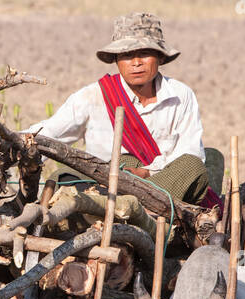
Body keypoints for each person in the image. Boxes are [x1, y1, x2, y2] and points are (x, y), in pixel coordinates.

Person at [22, 12, 217, 208]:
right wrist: (6, 146)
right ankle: (125, 206)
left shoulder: (181, 95)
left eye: (144, 54)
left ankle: (132, 208)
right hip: (103, 186)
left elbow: (189, 152)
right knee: (61, 177)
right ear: (116, 60)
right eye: (126, 55)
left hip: (161, 187)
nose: (136, 62)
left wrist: (146, 173)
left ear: (160, 57)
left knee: (192, 166)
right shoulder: (93, 96)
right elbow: (47, 134)